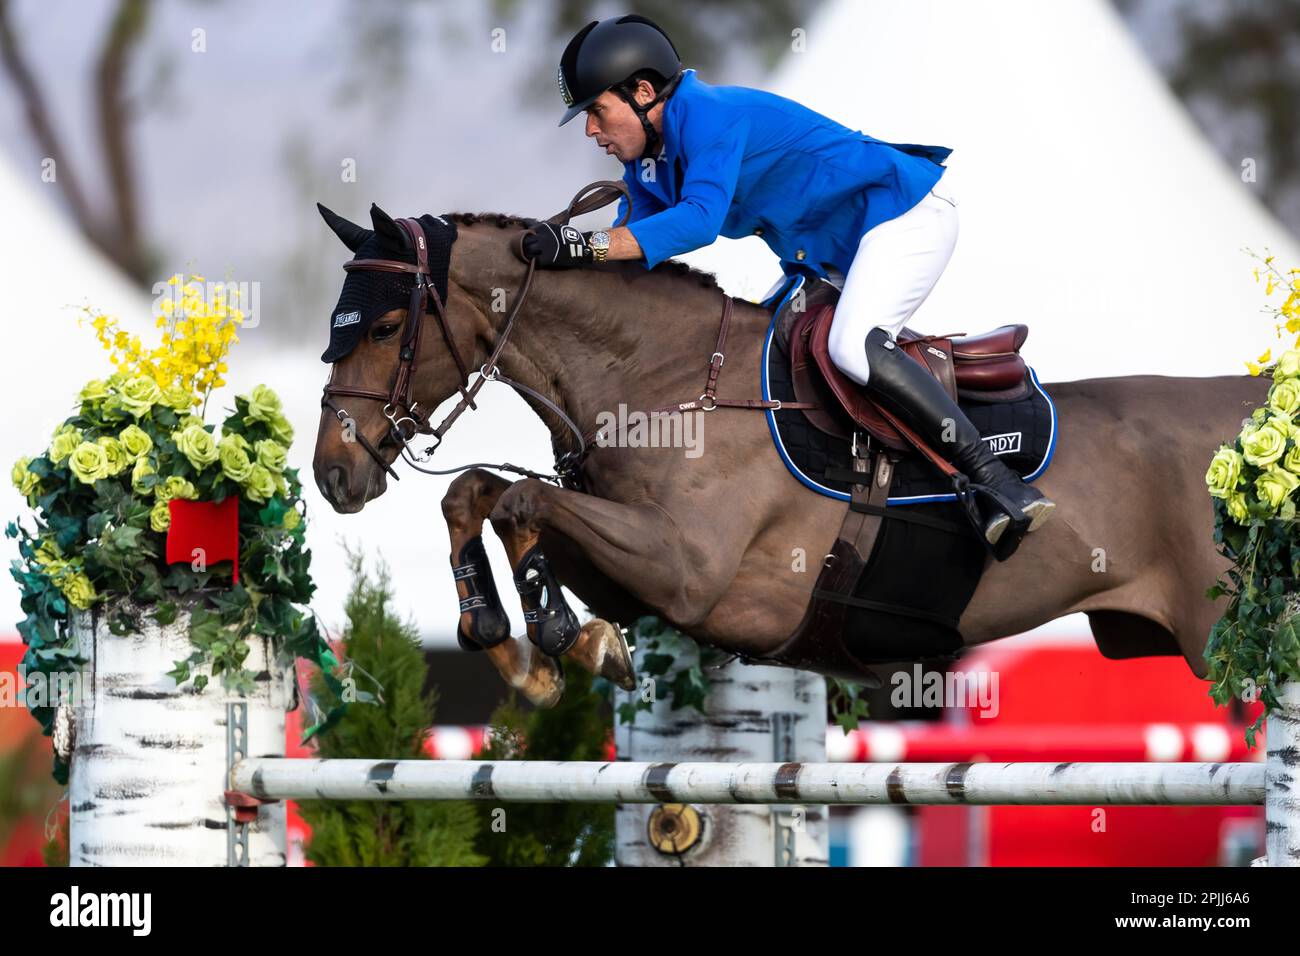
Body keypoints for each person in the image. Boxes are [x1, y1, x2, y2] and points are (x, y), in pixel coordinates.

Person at [521, 14, 1054, 553]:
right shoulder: (651, 164)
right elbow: (626, 250)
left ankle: (997, 483)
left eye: (595, 111)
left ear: (642, 92)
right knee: (761, 349)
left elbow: (700, 220)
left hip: (904, 217)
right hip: (835, 258)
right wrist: (550, 264)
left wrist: (582, 245)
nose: (592, 131)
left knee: (853, 347)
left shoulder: (710, 116)